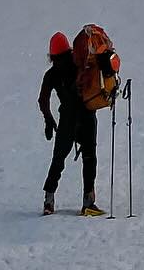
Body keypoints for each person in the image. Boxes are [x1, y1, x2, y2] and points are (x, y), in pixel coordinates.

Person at [37, 30, 104, 216]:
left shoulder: (51, 74)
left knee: (58, 159)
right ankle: (88, 202)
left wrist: (49, 121)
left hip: (67, 120)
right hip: (88, 116)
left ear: (51, 56)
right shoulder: (80, 66)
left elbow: (42, 100)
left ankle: (49, 201)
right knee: (89, 158)